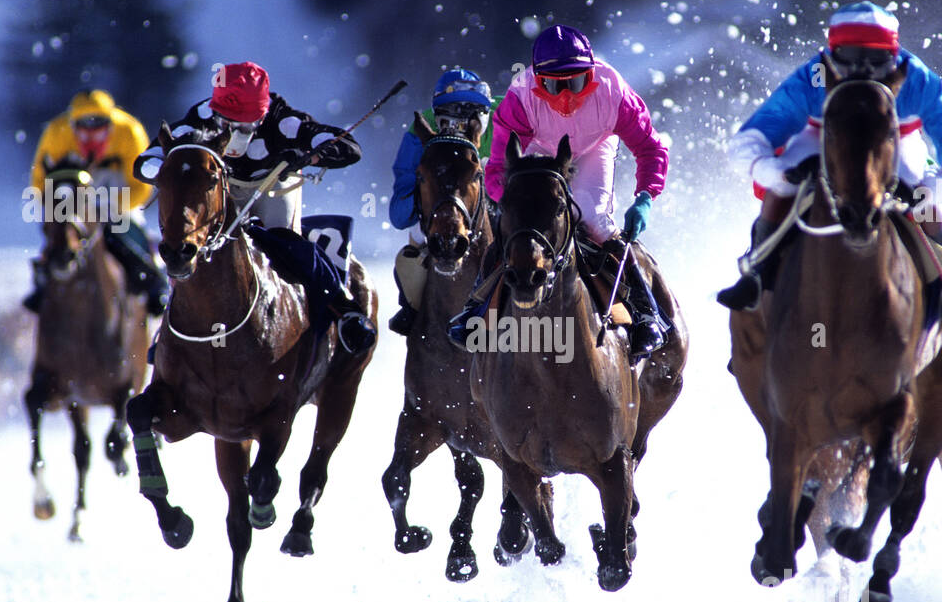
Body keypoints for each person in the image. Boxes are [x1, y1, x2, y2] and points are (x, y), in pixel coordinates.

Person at [718, 2, 942, 386]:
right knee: (781, 190)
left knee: (924, 200)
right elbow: (752, 140)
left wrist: (938, 187)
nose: (862, 68)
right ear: (832, 53)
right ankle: (756, 275)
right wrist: (775, 172)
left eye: (875, 58)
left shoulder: (916, 77)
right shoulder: (814, 75)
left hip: (894, 143)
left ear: (894, 56)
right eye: (851, 57)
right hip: (825, 140)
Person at [447, 24, 669, 358]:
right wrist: (507, 204)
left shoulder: (614, 93)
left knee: (594, 221)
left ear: (592, 77)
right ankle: (475, 309)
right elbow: (496, 168)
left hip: (594, 147)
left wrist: (645, 197)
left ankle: (645, 314)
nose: (566, 97)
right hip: (540, 151)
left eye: (576, 83)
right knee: (519, 225)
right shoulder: (519, 100)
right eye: (553, 85)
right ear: (537, 81)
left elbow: (650, 149)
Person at [134, 61, 375, 353]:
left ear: (262, 112)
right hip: (220, 188)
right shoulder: (201, 117)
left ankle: (344, 308)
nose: (235, 132)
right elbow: (145, 162)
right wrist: (167, 170)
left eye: (245, 125)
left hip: (271, 187)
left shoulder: (284, 121)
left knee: (282, 241)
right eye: (227, 122)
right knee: (192, 247)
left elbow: (349, 147)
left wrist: (309, 157)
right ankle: (171, 329)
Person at [24, 89, 169, 315]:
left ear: (111, 124)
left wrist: (112, 207)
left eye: (98, 126)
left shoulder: (129, 131)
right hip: (73, 201)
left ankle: (153, 283)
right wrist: (57, 210)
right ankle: (43, 284)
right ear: (72, 125)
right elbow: (40, 180)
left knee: (128, 234)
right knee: (59, 236)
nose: (91, 133)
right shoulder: (57, 132)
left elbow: (142, 184)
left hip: (117, 197)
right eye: (84, 126)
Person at [386, 69, 502, 335]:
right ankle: (413, 308)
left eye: (469, 119)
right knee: (412, 244)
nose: (459, 129)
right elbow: (399, 215)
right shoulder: (417, 133)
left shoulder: (505, 116)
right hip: (444, 202)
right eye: (449, 120)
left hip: (493, 193)